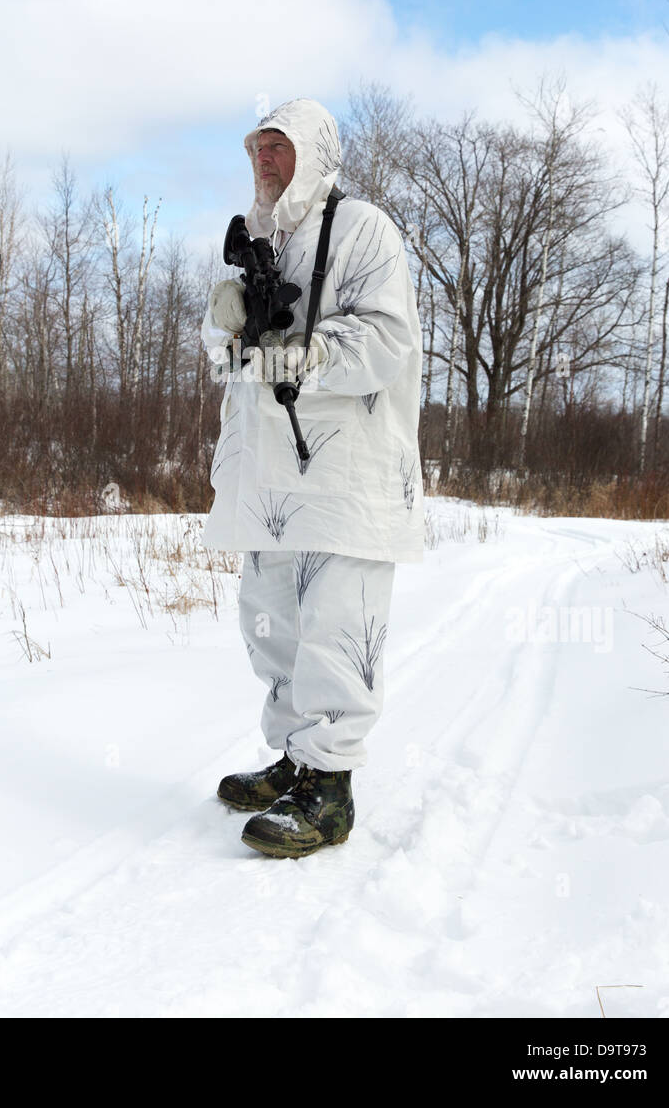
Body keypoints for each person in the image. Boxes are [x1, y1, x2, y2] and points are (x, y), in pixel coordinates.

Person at [200, 98, 423, 858]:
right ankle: (296, 758)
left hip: (343, 470)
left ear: (314, 152)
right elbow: (225, 354)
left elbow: (388, 336)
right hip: (266, 473)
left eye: (278, 145)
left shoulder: (364, 229)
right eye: (256, 146)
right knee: (273, 623)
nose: (263, 159)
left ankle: (330, 790)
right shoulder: (257, 235)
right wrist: (227, 324)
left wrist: (312, 354)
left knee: (337, 624)